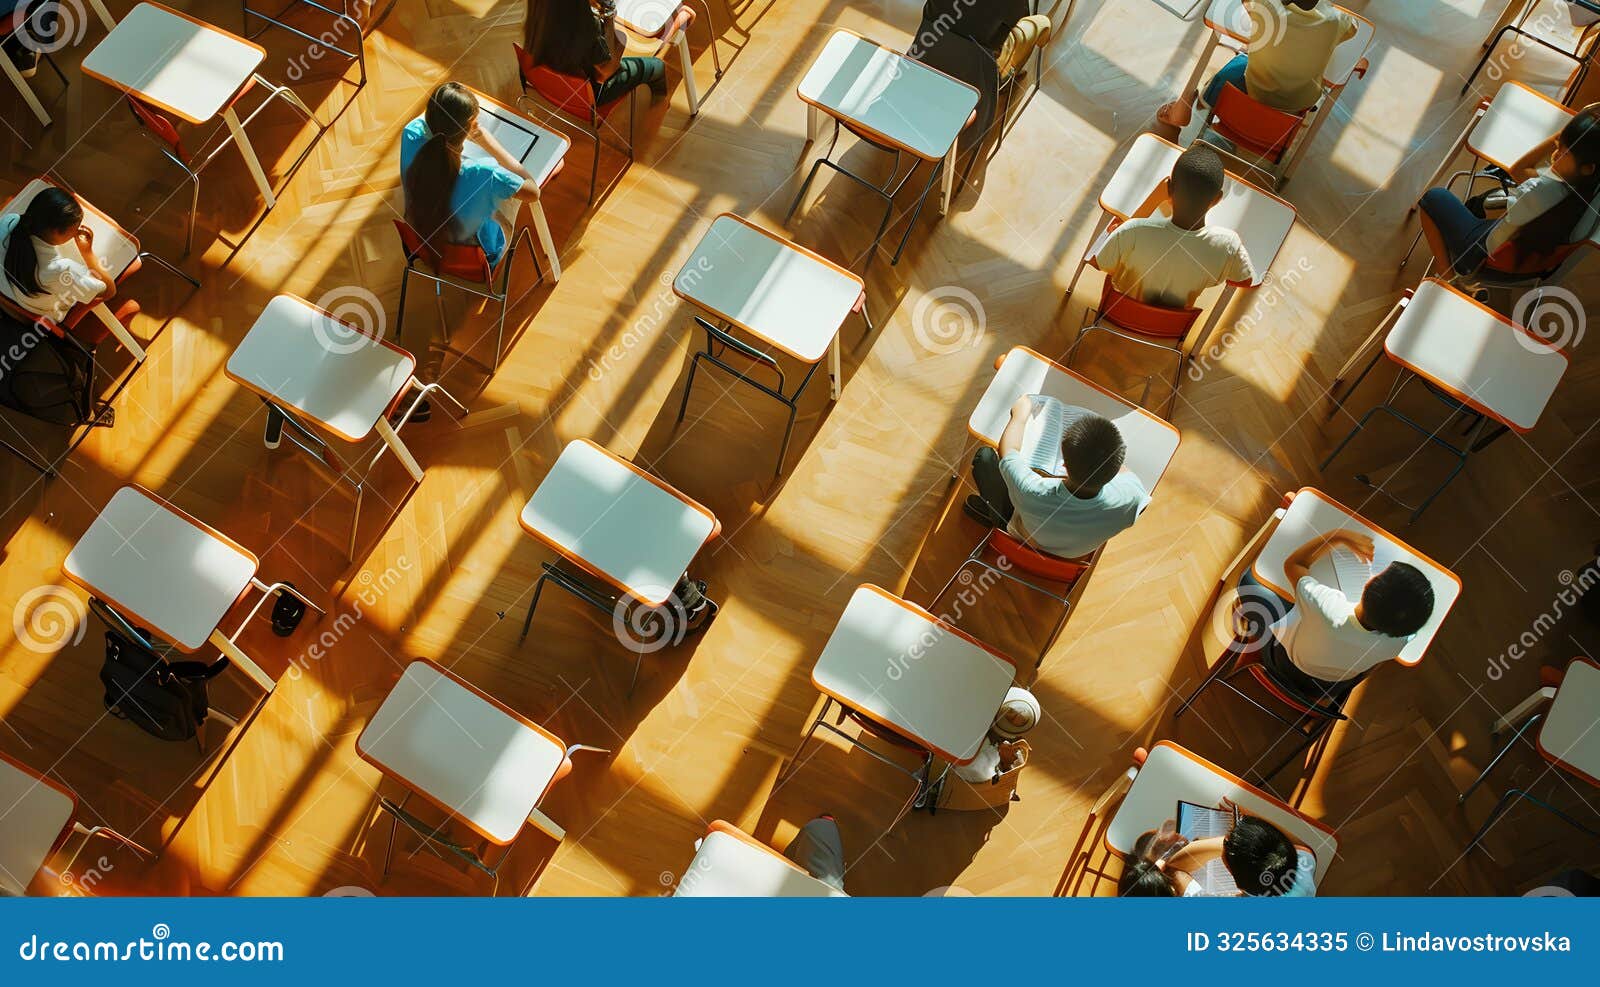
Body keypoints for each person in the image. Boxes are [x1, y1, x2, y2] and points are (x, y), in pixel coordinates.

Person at [1237, 529, 1435, 700]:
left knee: (1249, 580)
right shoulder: (1399, 643)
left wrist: (1338, 536)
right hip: (1328, 690)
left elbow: (1295, 564)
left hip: (1281, 662)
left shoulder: (1327, 608)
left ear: (1368, 584)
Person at [1416, 109, 1600, 279]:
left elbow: (1519, 170)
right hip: (1531, 265)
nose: (1556, 153)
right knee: (1479, 203)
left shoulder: (1539, 190)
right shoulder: (1590, 193)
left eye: (1564, 152)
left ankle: (1446, 275)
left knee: (1433, 197)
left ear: (1587, 168)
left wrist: (1559, 135)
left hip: (1483, 258)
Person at [965, 395, 1151, 560]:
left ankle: (995, 517)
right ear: (1116, 468)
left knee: (985, 457)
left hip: (1024, 537)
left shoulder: (1032, 489)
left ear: (1064, 466)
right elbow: (1138, 498)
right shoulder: (1132, 496)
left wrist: (1020, 416)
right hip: (1074, 555)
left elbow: (1008, 453)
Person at [1155, 0, 1357, 137]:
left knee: (1241, 61)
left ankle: (1189, 104)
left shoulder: (1266, 5)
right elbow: (1353, 27)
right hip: (1295, 108)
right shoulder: (1336, 20)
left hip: (1254, 93)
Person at [1094, 142, 1255, 308]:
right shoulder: (1228, 243)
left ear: (1169, 189)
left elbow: (1098, 262)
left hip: (1117, 314)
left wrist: (1117, 230)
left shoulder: (1133, 230)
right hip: (1168, 331)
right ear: (1216, 200)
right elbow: (1246, 280)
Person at [400, 82, 542, 268]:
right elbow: (533, 191)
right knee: (511, 198)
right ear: (471, 125)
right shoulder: (485, 173)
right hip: (473, 261)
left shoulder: (410, 132)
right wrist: (489, 143)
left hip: (419, 241)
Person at [1119, 802, 1315, 897]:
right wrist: (1249, 829)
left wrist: (1228, 843)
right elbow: (1304, 848)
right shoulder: (1304, 864)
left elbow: (1176, 870)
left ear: (1238, 884)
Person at [0, 186, 119, 340]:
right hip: (40, 312)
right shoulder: (60, 270)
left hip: (9, 298)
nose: (76, 232)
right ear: (56, 231)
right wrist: (87, 253)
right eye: (75, 229)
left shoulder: (8, 221)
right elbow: (109, 291)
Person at [525, 0, 668, 106]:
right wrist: (609, 13)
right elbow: (607, 70)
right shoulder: (586, 25)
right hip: (585, 97)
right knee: (657, 66)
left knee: (620, 40)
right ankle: (657, 113)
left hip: (542, 80)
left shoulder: (539, 6)